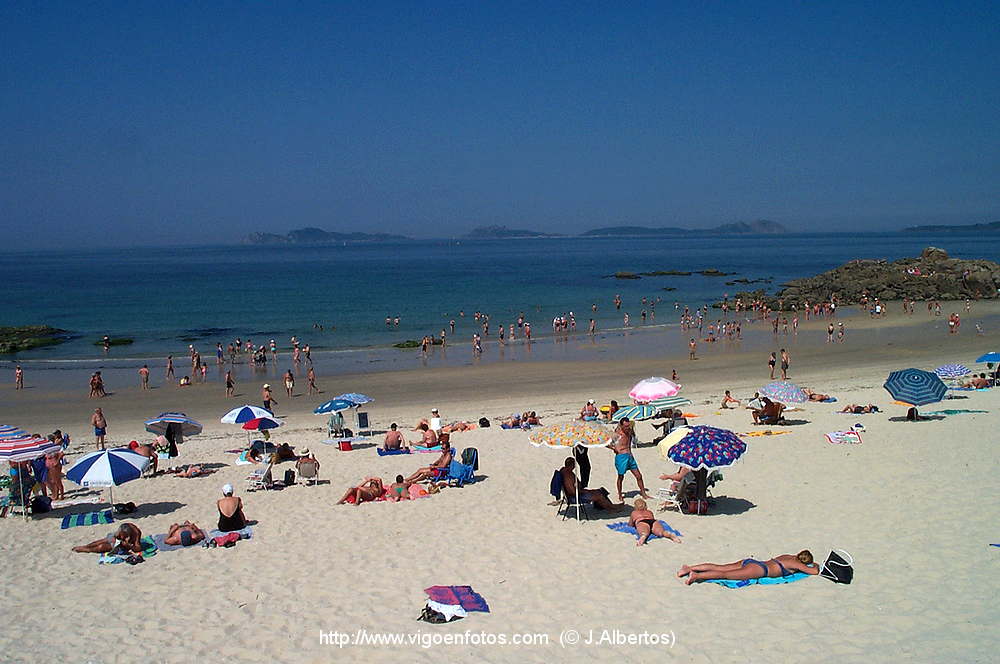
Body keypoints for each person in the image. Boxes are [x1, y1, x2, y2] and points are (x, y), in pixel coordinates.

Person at [677, 550, 819, 585]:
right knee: (725, 575)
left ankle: (689, 568)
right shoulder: (797, 564)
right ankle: (697, 576)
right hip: (760, 570)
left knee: (722, 567)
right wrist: (815, 565)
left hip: (752, 562)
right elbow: (814, 571)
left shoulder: (788, 556)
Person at [609, 417, 650, 503]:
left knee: (639, 476)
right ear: (621, 426)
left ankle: (643, 493)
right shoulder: (617, 434)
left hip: (630, 456)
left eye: (628, 426)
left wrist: (630, 452)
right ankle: (620, 495)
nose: (628, 428)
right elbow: (606, 442)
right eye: (626, 426)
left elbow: (630, 441)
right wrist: (614, 448)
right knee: (621, 477)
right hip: (621, 457)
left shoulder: (630, 431)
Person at [73, 523, 143, 554]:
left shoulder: (136, 533)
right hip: (118, 540)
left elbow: (138, 549)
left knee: (101, 547)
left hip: (124, 546)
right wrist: (117, 539)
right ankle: (85, 546)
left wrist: (129, 546)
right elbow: (116, 536)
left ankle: (86, 550)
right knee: (102, 541)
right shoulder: (122, 528)